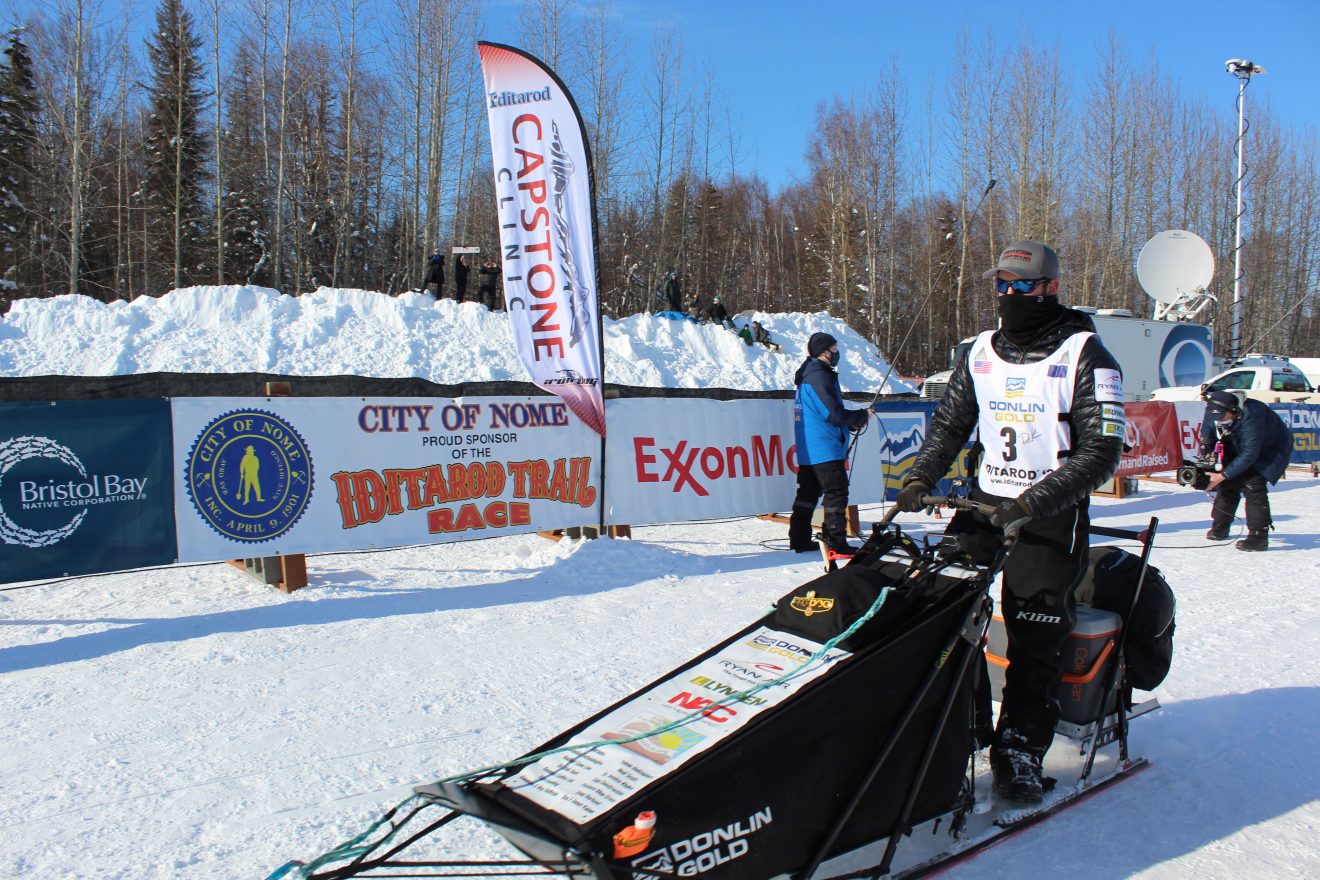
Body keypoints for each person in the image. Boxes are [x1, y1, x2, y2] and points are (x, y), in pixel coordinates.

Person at [894, 240, 1125, 804]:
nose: (1009, 294)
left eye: (1023, 285)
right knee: (944, 606)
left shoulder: (1087, 354)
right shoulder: (979, 351)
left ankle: (1019, 747)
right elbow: (950, 425)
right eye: (1001, 283)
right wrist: (921, 477)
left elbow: (1102, 453)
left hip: (1050, 514)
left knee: (1034, 630)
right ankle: (967, 725)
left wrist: (1032, 503)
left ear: (1051, 288)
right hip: (985, 505)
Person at [789, 332, 870, 556]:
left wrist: (851, 423)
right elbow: (833, 414)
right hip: (824, 447)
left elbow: (823, 414)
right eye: (834, 348)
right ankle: (836, 542)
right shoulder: (818, 377)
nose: (836, 352)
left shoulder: (810, 375)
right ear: (824, 352)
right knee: (836, 493)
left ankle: (799, 539)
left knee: (807, 494)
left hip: (811, 448)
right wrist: (861, 416)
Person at [1200, 388, 1292, 551]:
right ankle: (1221, 525)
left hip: (1269, 450)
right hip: (1237, 443)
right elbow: (1208, 432)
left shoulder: (1252, 415)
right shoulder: (1214, 409)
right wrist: (1206, 451)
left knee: (1253, 484)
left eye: (1222, 416)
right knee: (1227, 484)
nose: (1218, 419)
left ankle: (1258, 536)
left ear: (1233, 410)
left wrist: (1221, 476)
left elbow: (1249, 454)